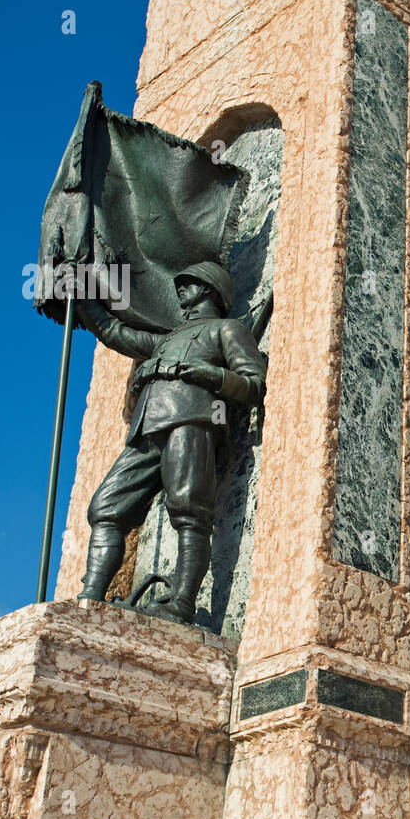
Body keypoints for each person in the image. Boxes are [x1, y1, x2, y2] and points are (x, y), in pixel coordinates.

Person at [75, 261, 267, 624]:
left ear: (210, 289)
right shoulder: (165, 338)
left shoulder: (226, 330)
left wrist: (208, 375)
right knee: (105, 507)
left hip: (192, 418)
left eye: (188, 283)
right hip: (148, 428)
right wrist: (82, 293)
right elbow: (111, 330)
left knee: (189, 510)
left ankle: (181, 603)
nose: (179, 289)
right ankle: (91, 597)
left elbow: (254, 384)